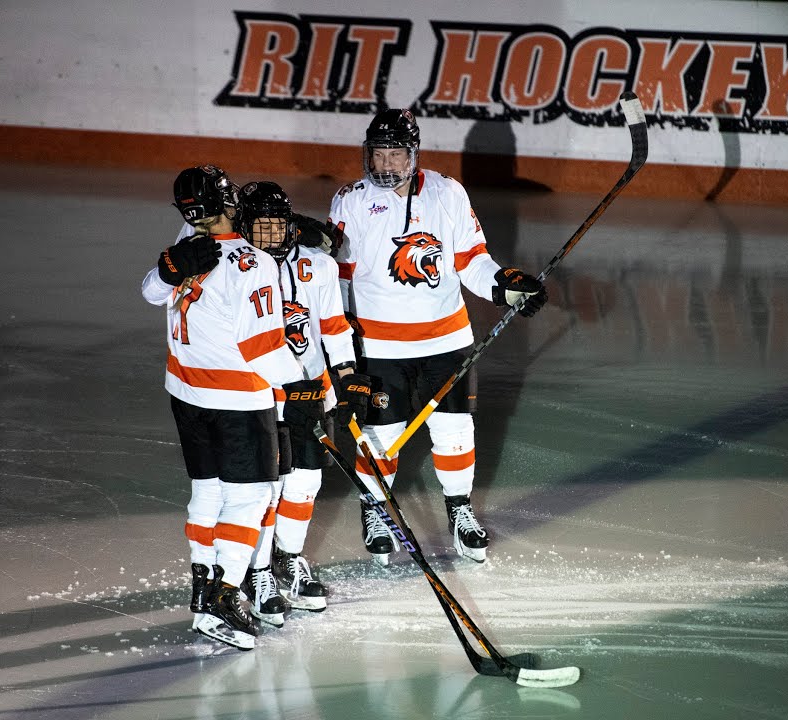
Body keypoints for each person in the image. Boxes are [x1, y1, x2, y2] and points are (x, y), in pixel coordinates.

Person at [328, 109, 548, 564]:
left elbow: (471, 258)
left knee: (454, 431)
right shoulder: (350, 200)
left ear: (413, 154)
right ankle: (375, 507)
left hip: (445, 342)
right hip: (379, 346)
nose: (385, 165)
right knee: (380, 434)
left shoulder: (448, 193)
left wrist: (505, 287)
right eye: (378, 154)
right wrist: (338, 337)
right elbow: (340, 276)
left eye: (395, 155)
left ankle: (460, 510)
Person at [141, 165, 324, 650]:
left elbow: (150, 291)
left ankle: (202, 595)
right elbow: (261, 348)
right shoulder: (253, 262)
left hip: (184, 392)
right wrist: (305, 389)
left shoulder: (185, 243)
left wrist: (167, 267)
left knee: (207, 492)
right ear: (229, 202)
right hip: (238, 400)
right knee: (251, 497)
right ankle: (226, 593)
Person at [236, 180, 371, 624]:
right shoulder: (235, 269)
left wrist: (347, 375)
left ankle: (288, 559)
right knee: (265, 491)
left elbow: (333, 327)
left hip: (312, 394)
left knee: (306, 483)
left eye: (277, 227)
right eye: (259, 228)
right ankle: (257, 572)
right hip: (258, 396)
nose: (269, 237)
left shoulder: (318, 266)